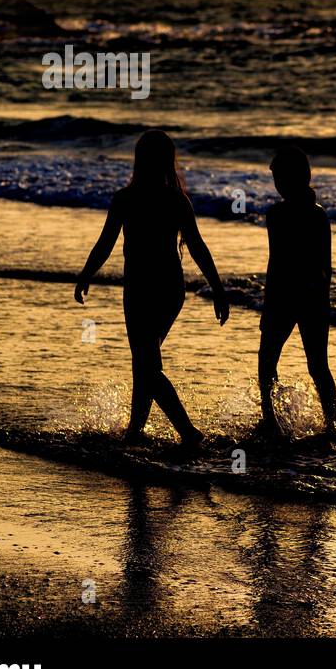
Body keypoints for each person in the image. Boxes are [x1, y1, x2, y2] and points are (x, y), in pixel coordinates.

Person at [75, 130, 228, 448]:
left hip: (146, 289)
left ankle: (188, 432)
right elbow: (198, 248)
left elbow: (106, 244)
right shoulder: (173, 200)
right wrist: (217, 288)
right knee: (143, 360)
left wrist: (86, 275)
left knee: (146, 363)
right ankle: (135, 430)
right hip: (167, 289)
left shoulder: (129, 198)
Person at [257, 146, 336, 440]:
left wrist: (269, 304)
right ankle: (333, 425)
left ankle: (272, 421)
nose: (276, 184)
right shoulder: (319, 215)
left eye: (278, 177)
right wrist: (323, 300)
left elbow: (276, 262)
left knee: (267, 362)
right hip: (314, 296)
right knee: (318, 365)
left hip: (284, 295)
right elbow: (325, 266)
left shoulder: (277, 215)